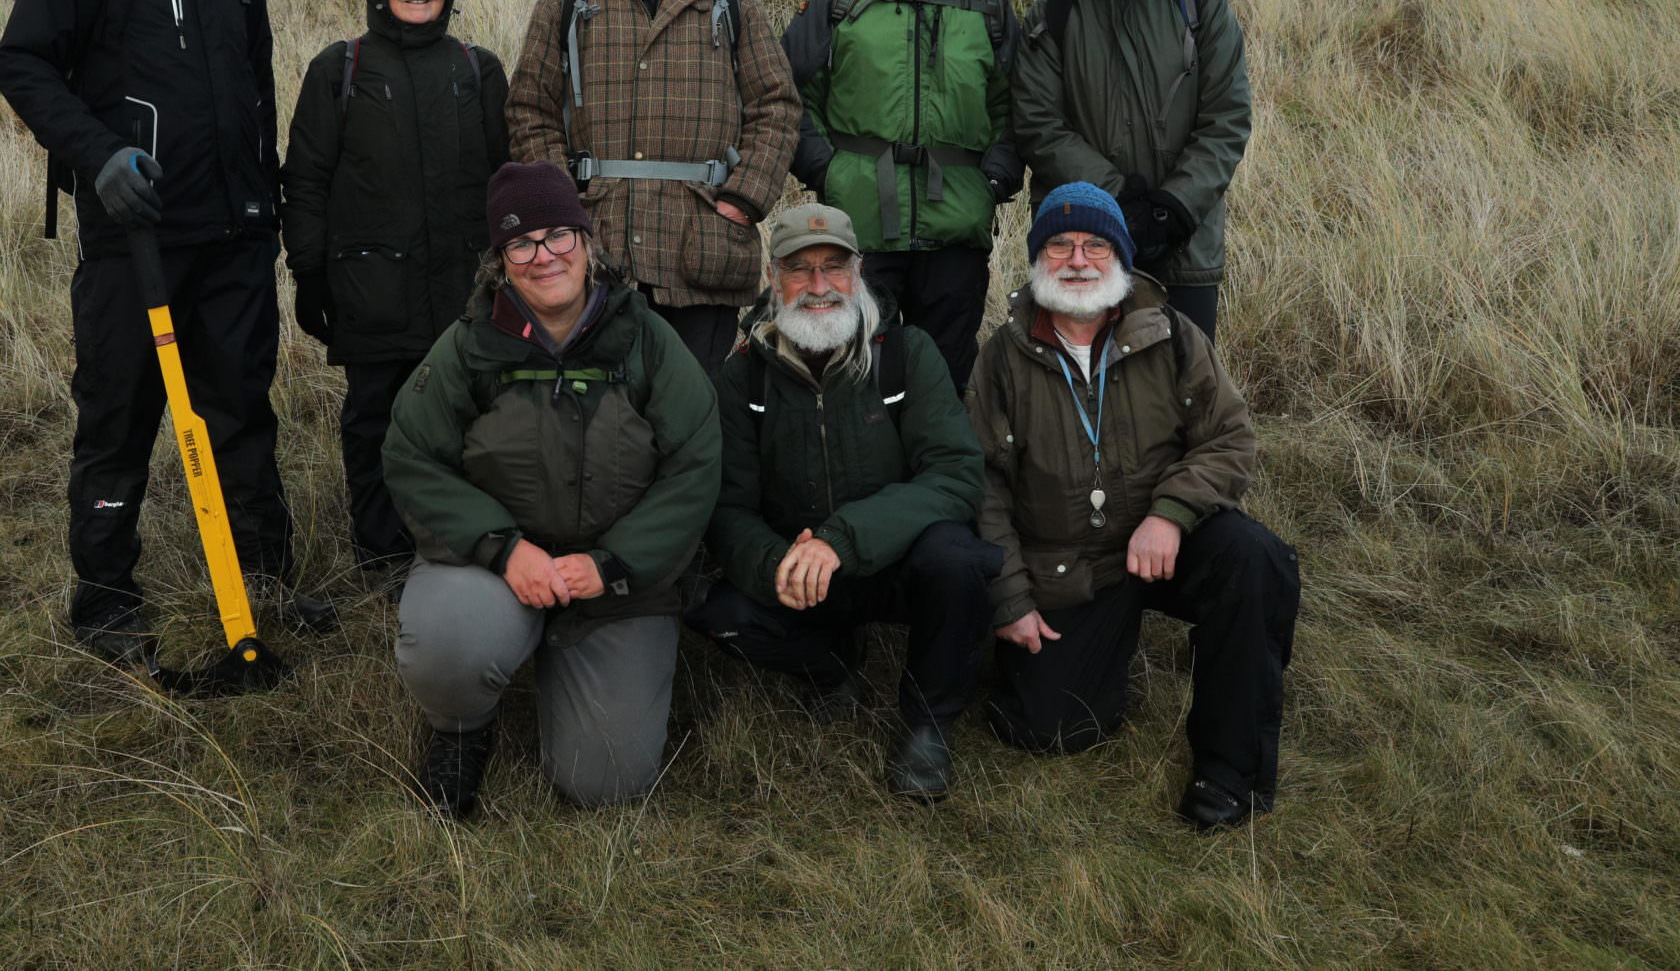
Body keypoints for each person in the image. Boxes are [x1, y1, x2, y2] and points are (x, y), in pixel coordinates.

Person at [0, 0, 331, 662]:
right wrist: (96, 156)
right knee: (118, 415)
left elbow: (257, 97)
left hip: (236, 238)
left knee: (241, 411)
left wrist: (272, 209)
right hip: (131, 239)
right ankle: (105, 600)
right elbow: (23, 63)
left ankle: (262, 577)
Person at [382, 161, 720, 815]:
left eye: (559, 234)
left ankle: (568, 666)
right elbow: (411, 455)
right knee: (450, 648)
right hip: (498, 567)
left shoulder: (647, 339)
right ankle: (462, 728)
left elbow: (696, 464)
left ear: (587, 240)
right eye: (521, 242)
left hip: (619, 583)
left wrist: (612, 563)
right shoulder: (468, 347)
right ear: (501, 260)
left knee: (605, 778)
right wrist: (505, 550)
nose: (544, 256)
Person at [966, 182, 1299, 828]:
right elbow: (983, 486)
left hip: (1164, 545)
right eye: (1059, 245)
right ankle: (1087, 665)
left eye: (1095, 244)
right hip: (1069, 566)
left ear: (1120, 256)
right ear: (1037, 260)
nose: (1078, 259)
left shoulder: (1171, 334)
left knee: (1255, 560)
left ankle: (1229, 773)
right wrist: (1010, 598)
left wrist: (1170, 513)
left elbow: (1231, 438)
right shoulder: (1003, 356)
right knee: (1048, 728)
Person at [688, 204, 1001, 800]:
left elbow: (956, 475)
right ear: (773, 279)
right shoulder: (742, 376)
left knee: (960, 560)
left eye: (835, 266)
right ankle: (829, 665)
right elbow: (727, 510)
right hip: (800, 573)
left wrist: (842, 540)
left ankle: (928, 723)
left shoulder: (907, 352)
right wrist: (776, 562)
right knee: (718, 612)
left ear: (857, 272)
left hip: (894, 562)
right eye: (800, 270)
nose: (820, 286)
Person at [505, 0, 801, 375]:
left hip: (702, 250)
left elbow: (777, 105)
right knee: (596, 413)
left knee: (694, 415)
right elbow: (530, 108)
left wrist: (742, 201)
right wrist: (562, 206)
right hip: (596, 248)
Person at [280, 0, 509, 576]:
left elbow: (506, 180)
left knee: (474, 419)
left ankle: (467, 547)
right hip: (369, 291)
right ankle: (381, 555)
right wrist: (310, 272)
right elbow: (307, 177)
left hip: (467, 293)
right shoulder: (340, 68)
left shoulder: (477, 69)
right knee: (375, 420)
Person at [782, 0, 1022, 390]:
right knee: (858, 377)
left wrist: (995, 178)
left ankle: (945, 475)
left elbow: (1016, 102)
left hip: (958, 227)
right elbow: (787, 91)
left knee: (946, 381)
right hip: (859, 228)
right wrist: (829, 172)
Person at [1012, 0, 1251, 341]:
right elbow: (1038, 122)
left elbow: (1226, 118)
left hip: (1186, 245)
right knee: (1084, 389)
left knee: (1183, 391)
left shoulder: (1201, 4)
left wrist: (1174, 209)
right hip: (1083, 241)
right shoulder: (1054, 11)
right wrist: (1116, 201)